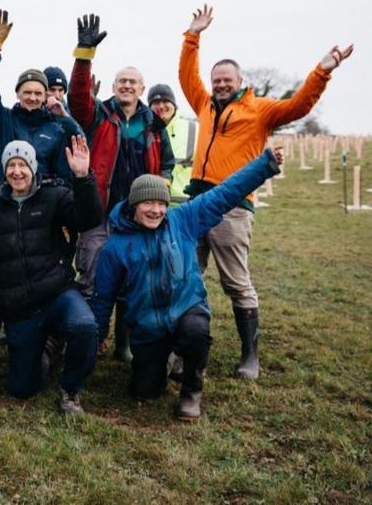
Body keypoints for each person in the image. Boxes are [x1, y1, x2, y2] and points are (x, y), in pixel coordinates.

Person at [180, 4, 353, 379]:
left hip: (234, 207)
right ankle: (181, 351)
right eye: (217, 80)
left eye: (228, 79)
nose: (221, 84)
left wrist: (322, 71)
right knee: (186, 274)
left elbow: (299, 105)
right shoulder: (204, 105)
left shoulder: (259, 110)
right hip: (196, 203)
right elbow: (186, 75)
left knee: (235, 281)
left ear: (240, 81)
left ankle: (250, 356)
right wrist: (193, 36)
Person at [92, 148, 284, 420]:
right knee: (144, 392)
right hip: (148, 327)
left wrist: (265, 165)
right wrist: (98, 335)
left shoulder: (183, 220)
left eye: (161, 204)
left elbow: (226, 192)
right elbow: (103, 296)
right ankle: (165, 358)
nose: (156, 210)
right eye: (148, 203)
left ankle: (192, 389)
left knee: (195, 332)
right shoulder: (115, 247)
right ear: (134, 205)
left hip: (186, 309)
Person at [67, 14, 174, 363]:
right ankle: (89, 337)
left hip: (137, 217)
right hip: (100, 212)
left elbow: (167, 164)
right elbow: (79, 98)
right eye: (121, 81)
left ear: (142, 89)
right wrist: (84, 56)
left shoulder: (154, 125)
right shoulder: (99, 115)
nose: (126, 86)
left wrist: (163, 189)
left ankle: (124, 344)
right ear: (113, 87)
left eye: (133, 82)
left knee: (134, 278)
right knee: (94, 275)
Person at [0, 138, 103, 415]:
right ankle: (46, 349)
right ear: (4, 170)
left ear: (33, 168)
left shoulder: (55, 196)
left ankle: (71, 390)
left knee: (84, 326)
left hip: (58, 292)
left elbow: (89, 219)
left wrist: (82, 177)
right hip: (19, 304)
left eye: (23, 165)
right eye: (11, 165)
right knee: (23, 388)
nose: (17, 171)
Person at [0, 9, 84, 198]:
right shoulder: (3, 119)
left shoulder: (55, 129)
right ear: (17, 93)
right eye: (27, 92)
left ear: (45, 96)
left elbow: (79, 146)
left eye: (37, 93)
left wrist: (65, 117)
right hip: (0, 203)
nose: (32, 98)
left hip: (40, 210)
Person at [148, 84, 199, 204]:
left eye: (165, 101)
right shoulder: (143, 131)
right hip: (151, 207)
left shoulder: (196, 129)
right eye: (156, 102)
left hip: (186, 207)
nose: (161, 106)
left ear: (174, 105)